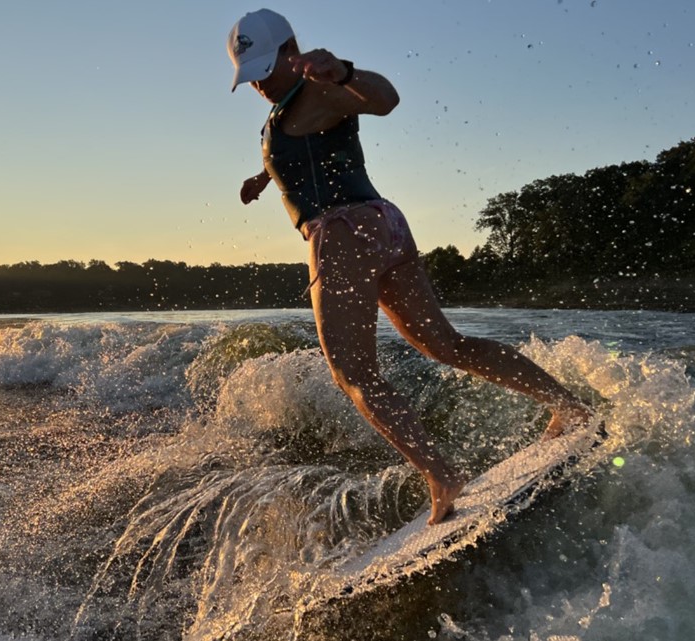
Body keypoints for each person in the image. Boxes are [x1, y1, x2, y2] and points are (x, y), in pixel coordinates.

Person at [226, 9, 592, 525]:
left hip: (342, 235)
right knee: (447, 344)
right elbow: (308, 150)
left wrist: (346, 73)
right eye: (253, 74)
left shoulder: (323, 86)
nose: (262, 82)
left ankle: (441, 475)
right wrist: (263, 178)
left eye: (268, 67)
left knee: (352, 372)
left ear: (293, 50)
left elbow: (384, 99)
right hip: (383, 225)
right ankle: (567, 404)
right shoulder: (291, 106)